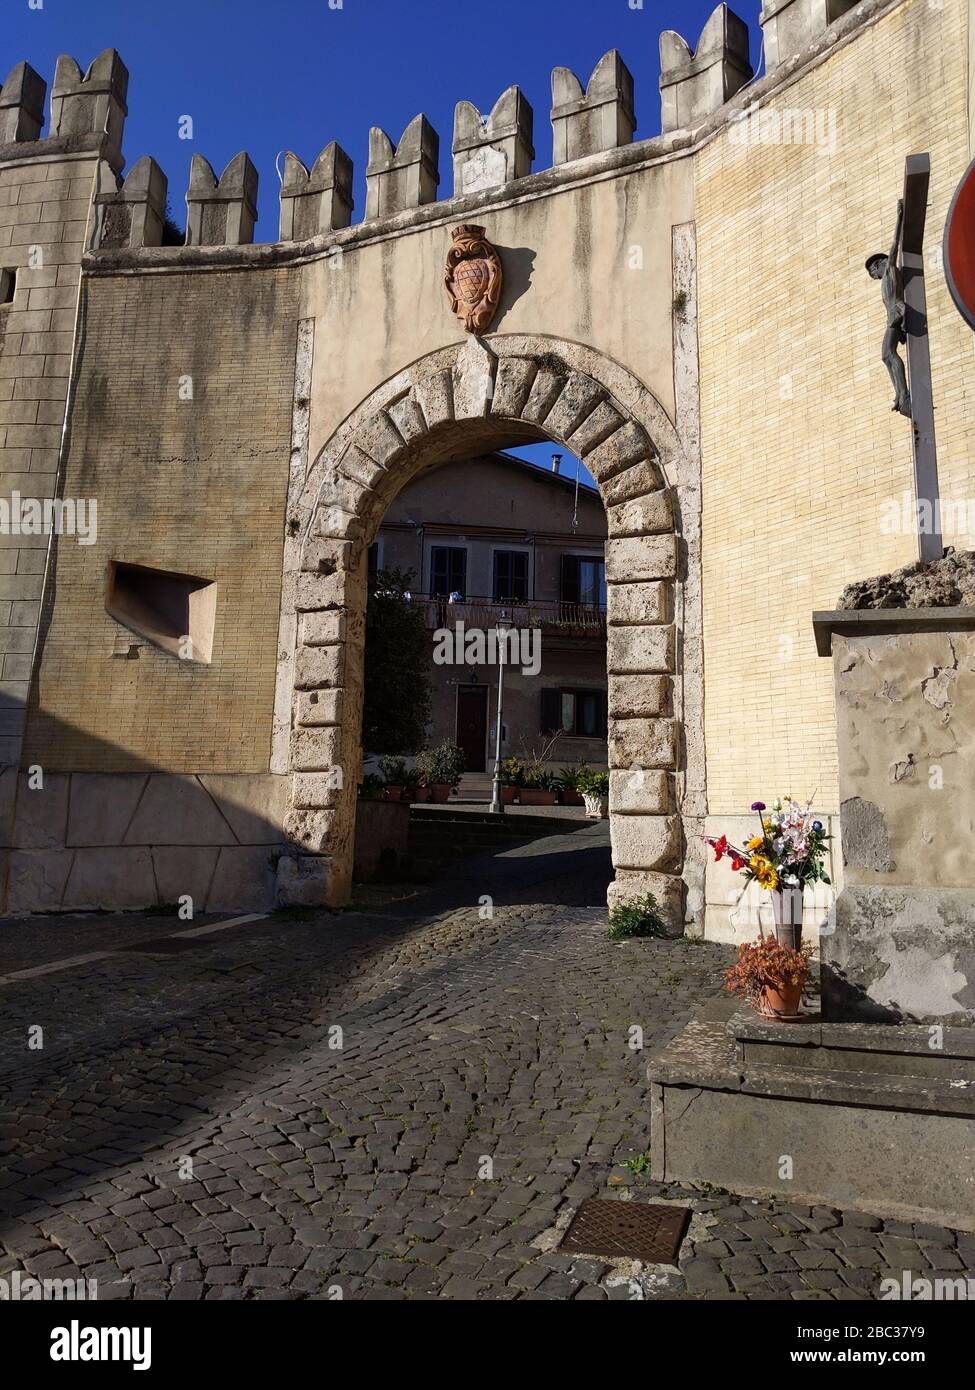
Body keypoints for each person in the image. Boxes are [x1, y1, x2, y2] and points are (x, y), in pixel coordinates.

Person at [865, 198, 912, 418]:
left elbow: (895, 243)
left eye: (876, 267)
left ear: (881, 263)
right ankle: (900, 394)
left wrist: (900, 216)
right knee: (886, 355)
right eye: (874, 272)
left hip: (896, 311)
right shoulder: (885, 278)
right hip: (892, 315)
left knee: (887, 353)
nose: (875, 273)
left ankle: (903, 394)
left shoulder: (891, 269)